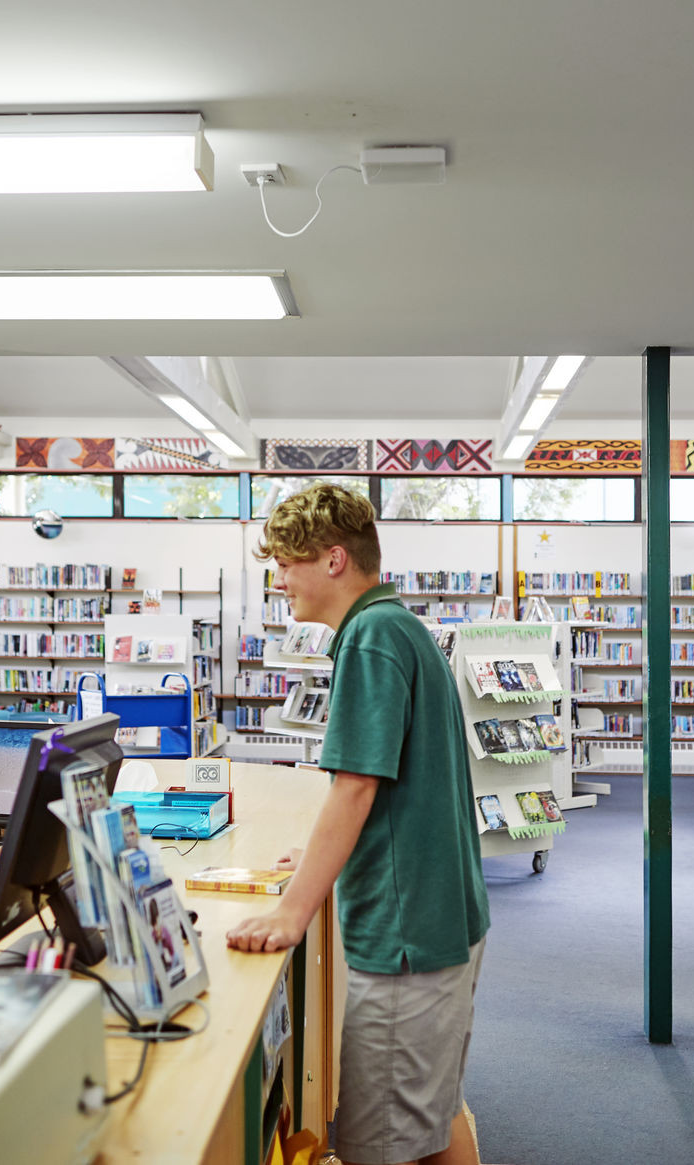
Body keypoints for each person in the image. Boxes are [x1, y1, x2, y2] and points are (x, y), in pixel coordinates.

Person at [227, 484, 489, 1165]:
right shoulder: (397, 625)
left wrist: (292, 911)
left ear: (334, 559)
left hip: (406, 934)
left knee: (381, 1144)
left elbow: (355, 786)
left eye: (287, 561)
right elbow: (382, 787)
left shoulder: (368, 639)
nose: (279, 578)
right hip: (443, 916)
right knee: (435, 1114)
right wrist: (316, 856)